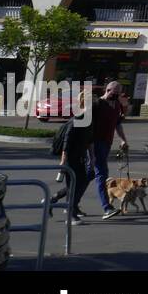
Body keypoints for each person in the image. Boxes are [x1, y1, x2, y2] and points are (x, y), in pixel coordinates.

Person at [52, 87, 94, 223]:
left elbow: (89, 140)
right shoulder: (77, 118)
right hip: (71, 157)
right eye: (90, 102)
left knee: (82, 181)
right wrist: (63, 160)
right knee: (74, 184)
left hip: (81, 156)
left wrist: (92, 157)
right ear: (83, 102)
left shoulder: (89, 119)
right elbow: (67, 141)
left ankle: (53, 199)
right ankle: (70, 214)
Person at [89, 82, 129, 220]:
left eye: (118, 94)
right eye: (114, 93)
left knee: (87, 176)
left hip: (106, 144)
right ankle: (107, 208)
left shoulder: (116, 105)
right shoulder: (97, 104)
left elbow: (117, 124)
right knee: (102, 174)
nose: (116, 96)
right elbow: (87, 127)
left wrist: (123, 140)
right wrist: (91, 149)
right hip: (94, 144)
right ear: (107, 90)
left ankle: (65, 201)